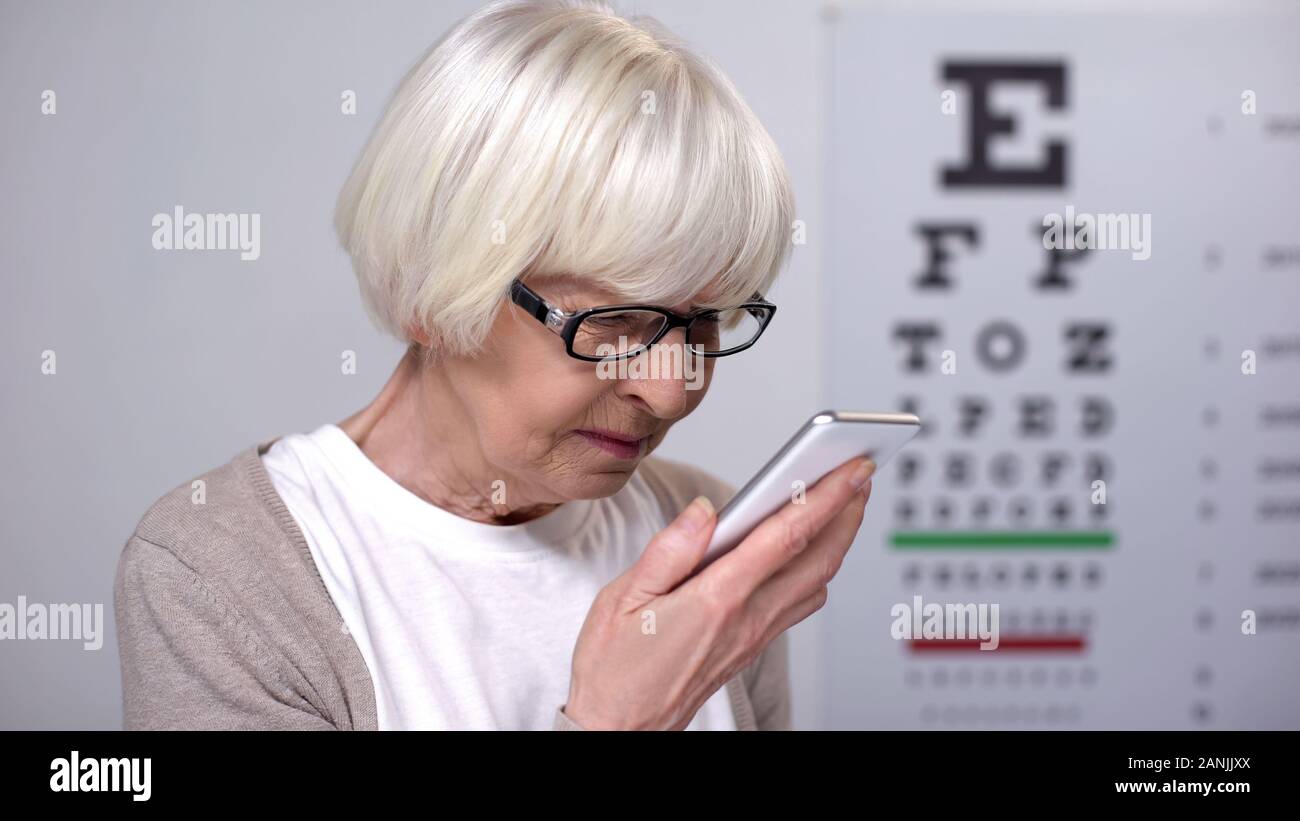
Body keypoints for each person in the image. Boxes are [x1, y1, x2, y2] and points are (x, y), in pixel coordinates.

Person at [113, 0, 873, 730]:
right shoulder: (225, 573)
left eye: (702, 321)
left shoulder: (705, 543)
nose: (672, 391)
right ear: (432, 292)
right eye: (614, 321)